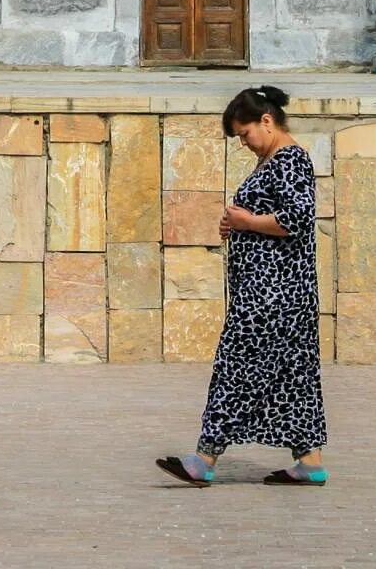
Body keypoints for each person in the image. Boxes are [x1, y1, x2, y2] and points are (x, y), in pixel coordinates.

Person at [155, 85, 328, 487]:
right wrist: (238, 224)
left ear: (266, 121)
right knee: (293, 377)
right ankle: (310, 462)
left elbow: (297, 219)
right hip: (280, 294)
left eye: (245, 134)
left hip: (272, 295)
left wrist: (246, 221)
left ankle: (204, 459)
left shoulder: (289, 160)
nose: (243, 143)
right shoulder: (273, 161)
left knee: (236, 368)